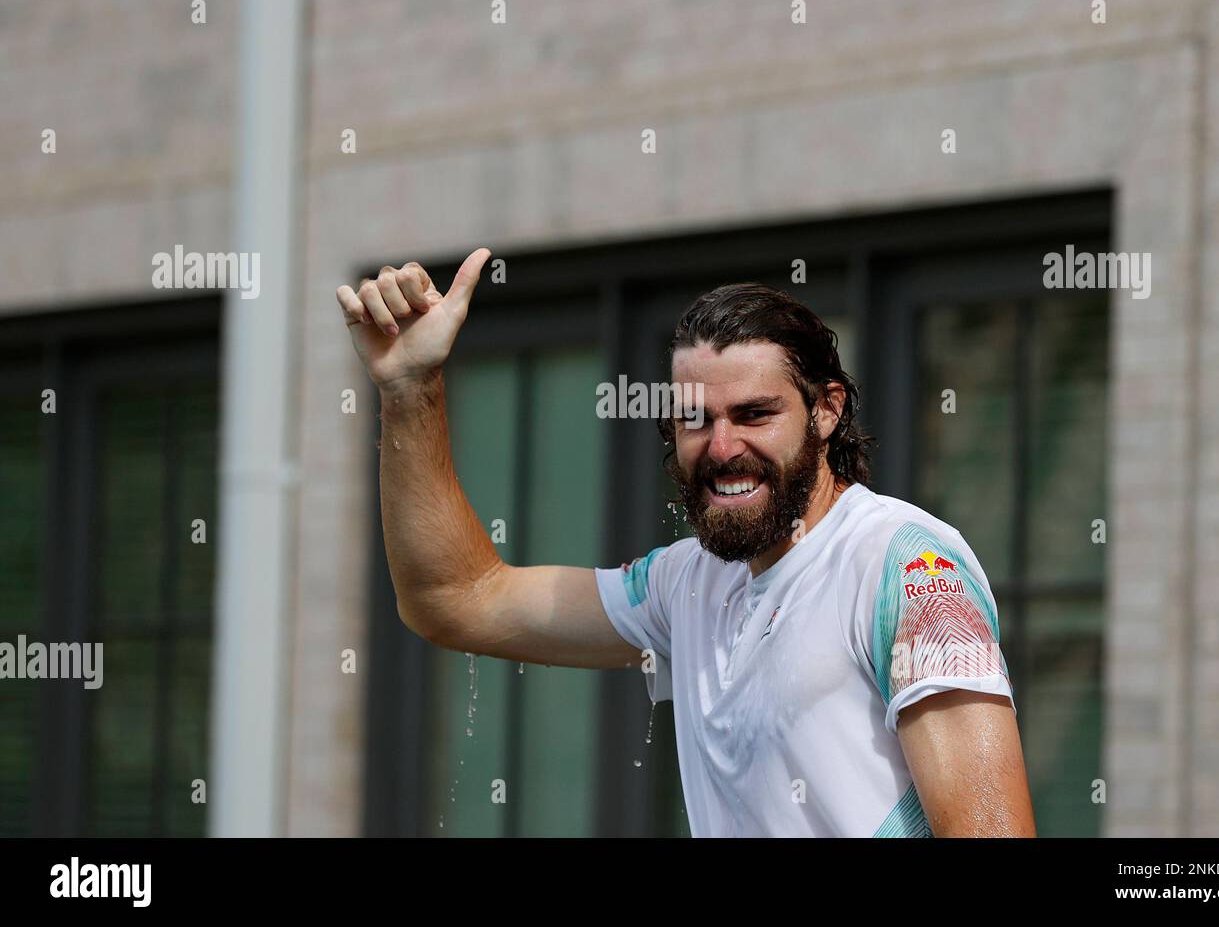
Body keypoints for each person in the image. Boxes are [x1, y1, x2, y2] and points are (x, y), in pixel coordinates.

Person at [336, 248, 1036, 837]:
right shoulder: (686, 583)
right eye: (696, 419)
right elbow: (455, 599)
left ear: (827, 410)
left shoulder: (908, 567)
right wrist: (409, 388)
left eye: (754, 414)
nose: (722, 447)